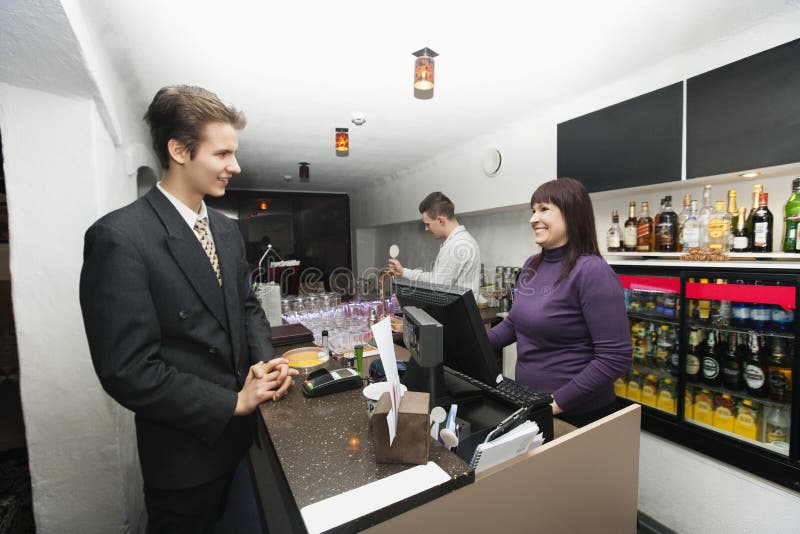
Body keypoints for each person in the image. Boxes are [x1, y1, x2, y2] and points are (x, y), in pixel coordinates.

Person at [79, 85, 297, 533]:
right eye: (222, 154)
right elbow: (127, 368)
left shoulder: (226, 230)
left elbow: (247, 307)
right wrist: (232, 402)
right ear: (179, 150)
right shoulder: (120, 238)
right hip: (185, 458)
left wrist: (264, 365)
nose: (234, 167)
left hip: (242, 440)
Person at [487, 177, 632, 427]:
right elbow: (514, 324)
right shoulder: (532, 264)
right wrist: (468, 340)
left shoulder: (592, 272)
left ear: (572, 214)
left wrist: (555, 403)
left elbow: (615, 357)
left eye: (544, 209)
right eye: (533, 211)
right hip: (531, 402)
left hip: (576, 414)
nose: (533, 219)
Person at [387, 191, 482, 298]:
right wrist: (404, 272)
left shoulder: (457, 245)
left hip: (458, 314)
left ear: (440, 220)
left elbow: (436, 287)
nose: (426, 229)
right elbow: (435, 279)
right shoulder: (462, 240)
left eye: (428, 224)